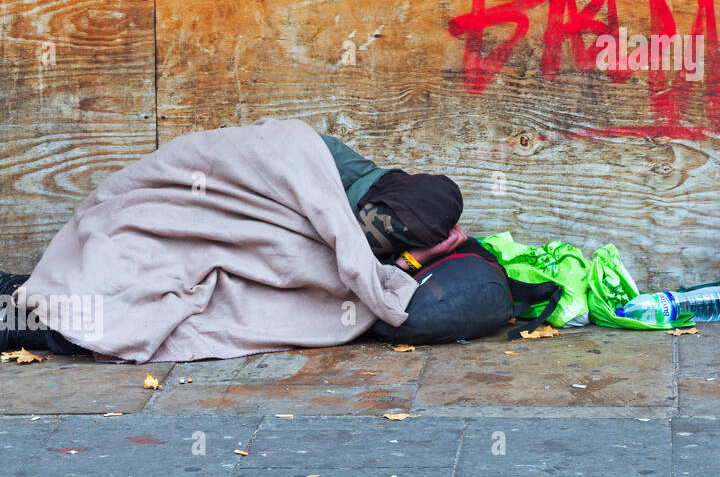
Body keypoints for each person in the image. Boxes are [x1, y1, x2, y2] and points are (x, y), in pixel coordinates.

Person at [0, 129, 465, 355]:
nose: (367, 241)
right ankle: (26, 305)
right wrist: (407, 261)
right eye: (372, 225)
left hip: (206, 258)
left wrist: (405, 259)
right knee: (126, 274)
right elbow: (215, 176)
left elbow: (321, 270)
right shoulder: (307, 153)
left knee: (165, 304)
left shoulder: (360, 214)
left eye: (385, 241)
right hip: (151, 216)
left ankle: (26, 309)